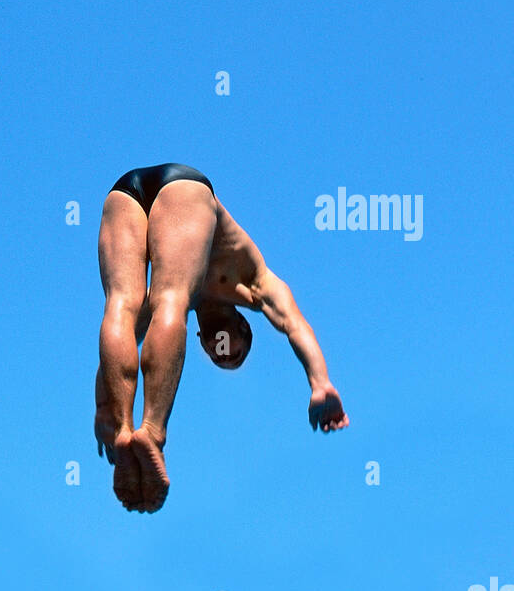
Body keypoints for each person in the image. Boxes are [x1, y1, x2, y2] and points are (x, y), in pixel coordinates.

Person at [94, 163, 349, 513]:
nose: (224, 355)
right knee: (171, 299)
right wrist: (320, 381)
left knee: (123, 306)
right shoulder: (253, 284)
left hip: (124, 192)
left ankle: (125, 431)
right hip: (185, 187)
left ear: (199, 342)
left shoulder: (156, 313)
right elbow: (294, 324)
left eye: (220, 359)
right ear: (244, 327)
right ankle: (151, 432)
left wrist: (104, 408)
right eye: (236, 354)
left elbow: (112, 351)